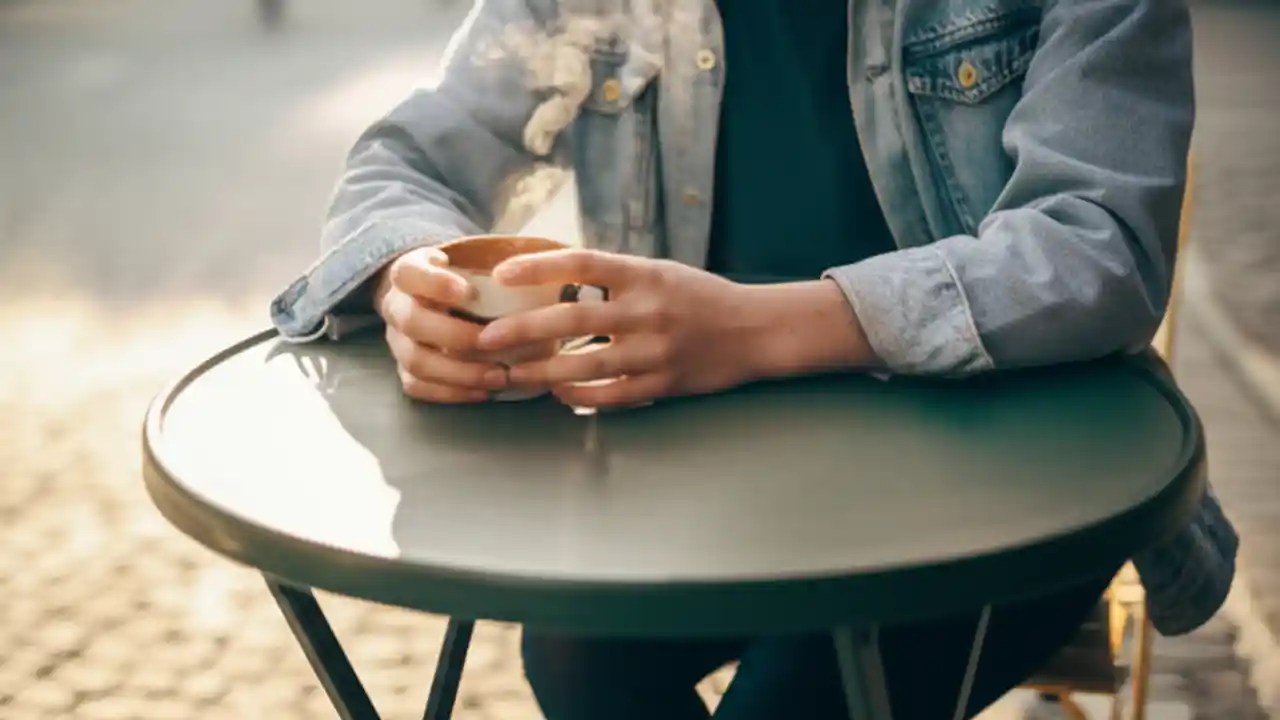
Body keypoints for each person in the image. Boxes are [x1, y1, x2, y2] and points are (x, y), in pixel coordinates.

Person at [269, 0, 1238, 717]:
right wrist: (406, 279)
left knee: (802, 698)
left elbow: (1101, 247)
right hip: (711, 482)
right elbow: (407, 161)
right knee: (575, 655)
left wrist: (747, 330)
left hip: (1021, 475)